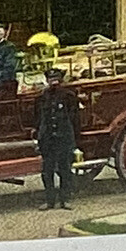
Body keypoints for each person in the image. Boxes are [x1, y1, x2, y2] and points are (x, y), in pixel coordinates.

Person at [35, 66, 80, 210]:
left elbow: (75, 119)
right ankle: (49, 201)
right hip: (48, 140)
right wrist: (39, 137)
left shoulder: (68, 96)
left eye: (56, 79)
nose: (53, 82)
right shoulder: (42, 97)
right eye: (51, 79)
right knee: (47, 172)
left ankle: (65, 200)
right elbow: (37, 119)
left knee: (65, 170)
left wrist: (74, 141)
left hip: (64, 138)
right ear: (47, 81)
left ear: (60, 80)